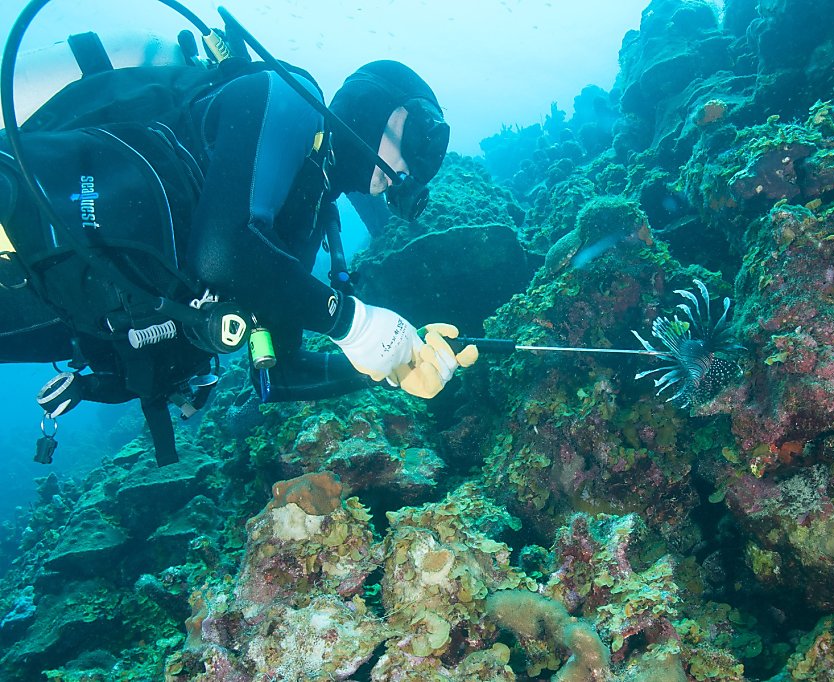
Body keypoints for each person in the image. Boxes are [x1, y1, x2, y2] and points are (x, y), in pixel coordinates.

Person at [0, 35, 477, 463]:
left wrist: (391, 362)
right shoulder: (288, 97)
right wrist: (353, 323)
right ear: (373, 104)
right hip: (28, 230)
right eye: (421, 138)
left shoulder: (309, 213)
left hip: (61, 306)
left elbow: (278, 375)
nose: (412, 171)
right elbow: (222, 254)